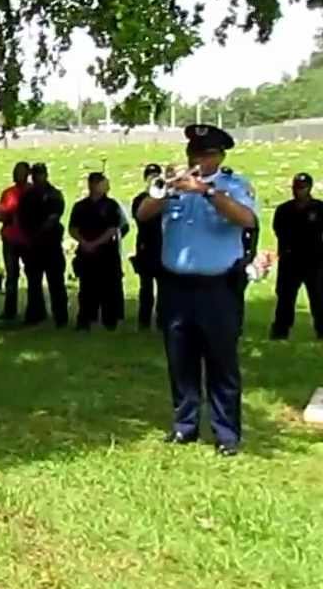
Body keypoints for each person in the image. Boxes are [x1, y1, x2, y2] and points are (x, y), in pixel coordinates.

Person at [135, 124, 257, 456]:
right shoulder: (173, 188)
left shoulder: (233, 186)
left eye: (204, 155)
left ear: (218, 157)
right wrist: (166, 190)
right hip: (176, 286)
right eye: (193, 154)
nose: (197, 160)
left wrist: (205, 191)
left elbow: (247, 219)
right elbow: (143, 213)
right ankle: (184, 426)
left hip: (217, 288)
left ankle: (226, 434)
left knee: (221, 362)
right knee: (180, 359)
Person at [69, 172, 127, 331]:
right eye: (103, 183)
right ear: (94, 185)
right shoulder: (80, 206)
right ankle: (86, 319)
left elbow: (113, 228)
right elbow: (73, 228)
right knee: (86, 289)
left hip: (107, 253)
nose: (107, 186)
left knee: (109, 288)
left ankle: (110, 321)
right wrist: (84, 242)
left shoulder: (111, 205)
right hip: (86, 254)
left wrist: (95, 243)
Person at [270, 172, 323, 340]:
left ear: (309, 188)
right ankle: (280, 331)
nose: (299, 191)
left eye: (302, 188)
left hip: (314, 260)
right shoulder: (284, 209)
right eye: (296, 188)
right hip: (290, 260)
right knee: (285, 297)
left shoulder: (319, 208)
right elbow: (278, 231)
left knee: (318, 297)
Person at [18, 162, 68, 327]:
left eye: (39, 174)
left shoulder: (54, 194)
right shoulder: (28, 195)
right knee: (34, 283)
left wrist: (38, 232)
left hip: (50, 243)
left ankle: (60, 317)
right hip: (33, 244)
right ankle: (35, 313)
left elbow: (54, 217)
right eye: (35, 174)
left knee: (56, 283)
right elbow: (22, 218)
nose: (37, 177)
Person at [0, 162, 30, 320]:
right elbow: (2, 213)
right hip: (10, 239)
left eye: (20, 172)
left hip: (28, 240)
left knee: (32, 275)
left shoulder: (32, 191)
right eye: (15, 171)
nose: (16, 174)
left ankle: (34, 310)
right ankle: (10, 311)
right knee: (11, 275)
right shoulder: (8, 193)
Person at [130, 164, 165, 330]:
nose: (153, 178)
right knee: (146, 287)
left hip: (163, 246)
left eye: (156, 175)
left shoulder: (166, 198)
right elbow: (140, 217)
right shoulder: (139, 199)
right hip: (145, 245)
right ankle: (143, 321)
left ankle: (161, 321)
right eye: (150, 175)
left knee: (164, 287)